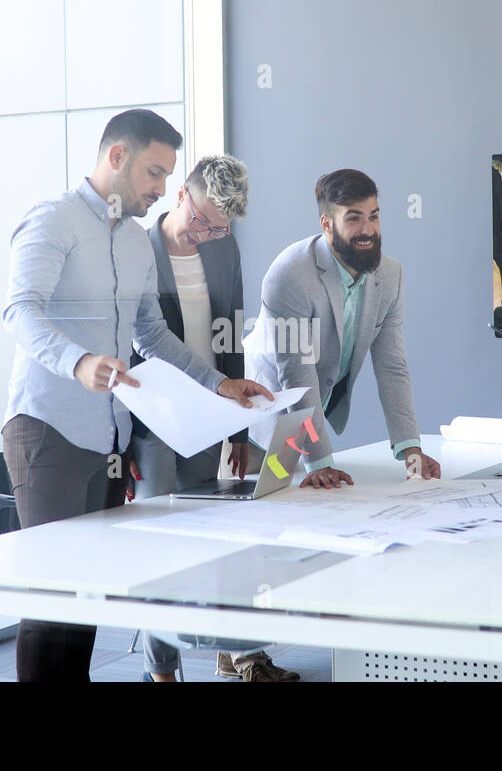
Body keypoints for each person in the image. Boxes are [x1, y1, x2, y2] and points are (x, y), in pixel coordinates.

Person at [1, 109, 271, 682]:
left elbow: (151, 334)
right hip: (48, 427)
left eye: (167, 176)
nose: (160, 190)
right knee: (49, 598)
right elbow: (18, 310)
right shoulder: (54, 220)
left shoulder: (133, 241)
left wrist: (219, 383)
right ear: (116, 157)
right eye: (154, 173)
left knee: (87, 595)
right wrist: (78, 361)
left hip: (109, 437)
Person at [124, 153, 300, 682]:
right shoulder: (137, 249)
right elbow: (134, 342)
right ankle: (163, 673)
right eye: (201, 220)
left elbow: (232, 336)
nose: (207, 233)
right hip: (154, 420)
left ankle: (233, 653)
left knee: (214, 539)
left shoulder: (223, 250)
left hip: (210, 412)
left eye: (220, 227)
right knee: (162, 551)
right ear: (181, 194)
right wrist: (122, 443)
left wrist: (238, 428)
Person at [243, 169, 441, 488]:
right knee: (254, 518)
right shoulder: (290, 274)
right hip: (257, 429)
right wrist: (320, 462)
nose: (368, 230)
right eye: (353, 219)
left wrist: (411, 449)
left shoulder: (389, 275)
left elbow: (392, 367)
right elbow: (296, 374)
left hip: (305, 426)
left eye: (373, 217)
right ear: (327, 224)